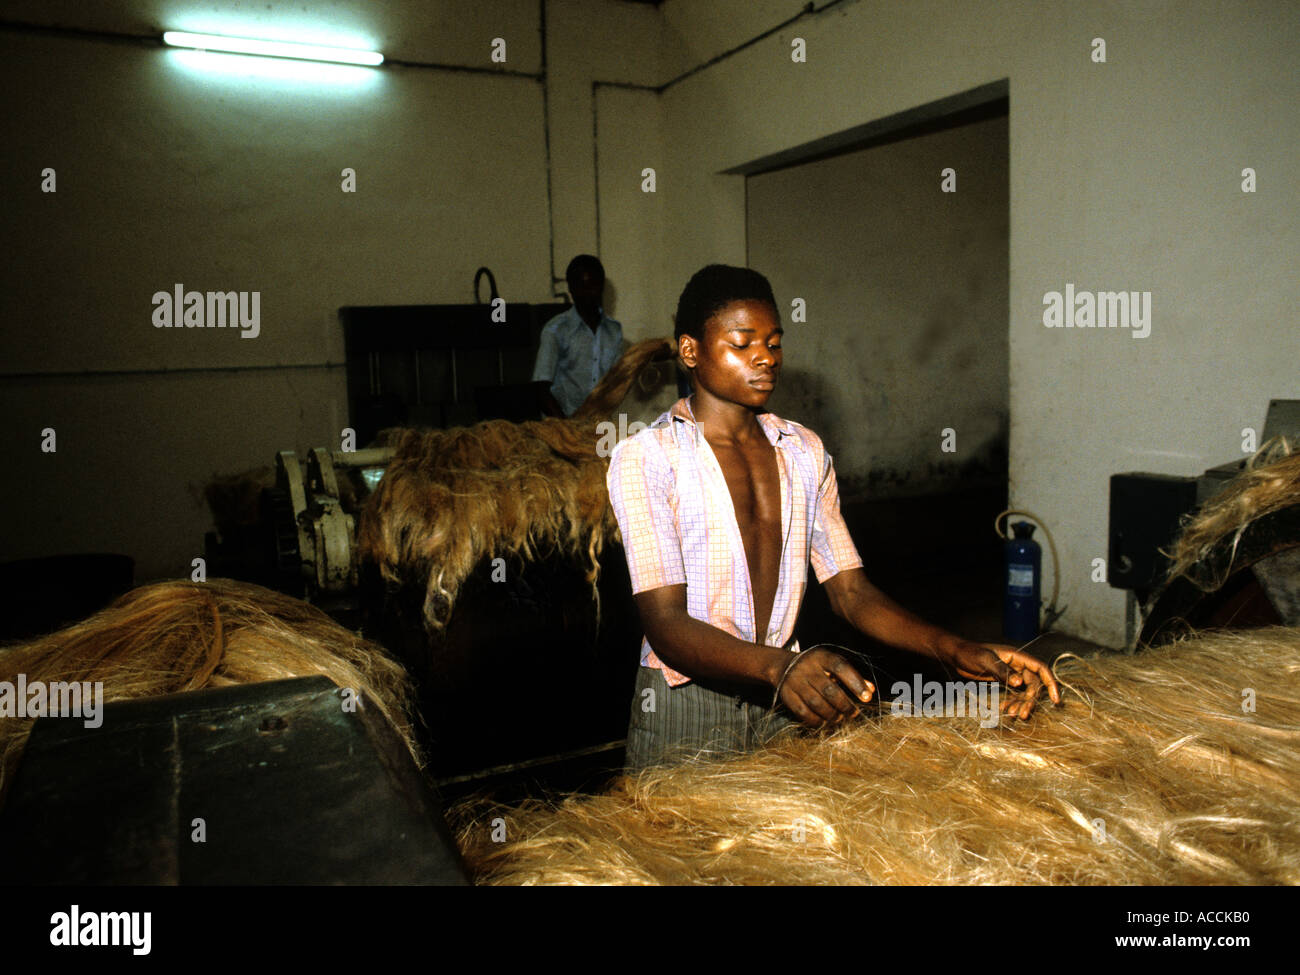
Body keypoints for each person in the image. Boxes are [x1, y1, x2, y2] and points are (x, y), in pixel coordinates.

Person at [607, 264, 1060, 770]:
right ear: (691, 351)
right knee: (674, 847)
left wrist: (953, 649)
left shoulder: (802, 452)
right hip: (686, 705)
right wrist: (782, 667)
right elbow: (666, 624)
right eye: (743, 343)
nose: (765, 357)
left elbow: (851, 594)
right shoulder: (648, 458)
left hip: (784, 700)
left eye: (775, 343)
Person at [532, 255, 624, 418]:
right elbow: (540, 389)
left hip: (598, 427)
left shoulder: (614, 331)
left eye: (592, 286)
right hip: (560, 428)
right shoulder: (555, 330)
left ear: (601, 287)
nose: (587, 293)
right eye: (580, 286)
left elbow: (616, 386)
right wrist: (568, 431)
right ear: (571, 289)